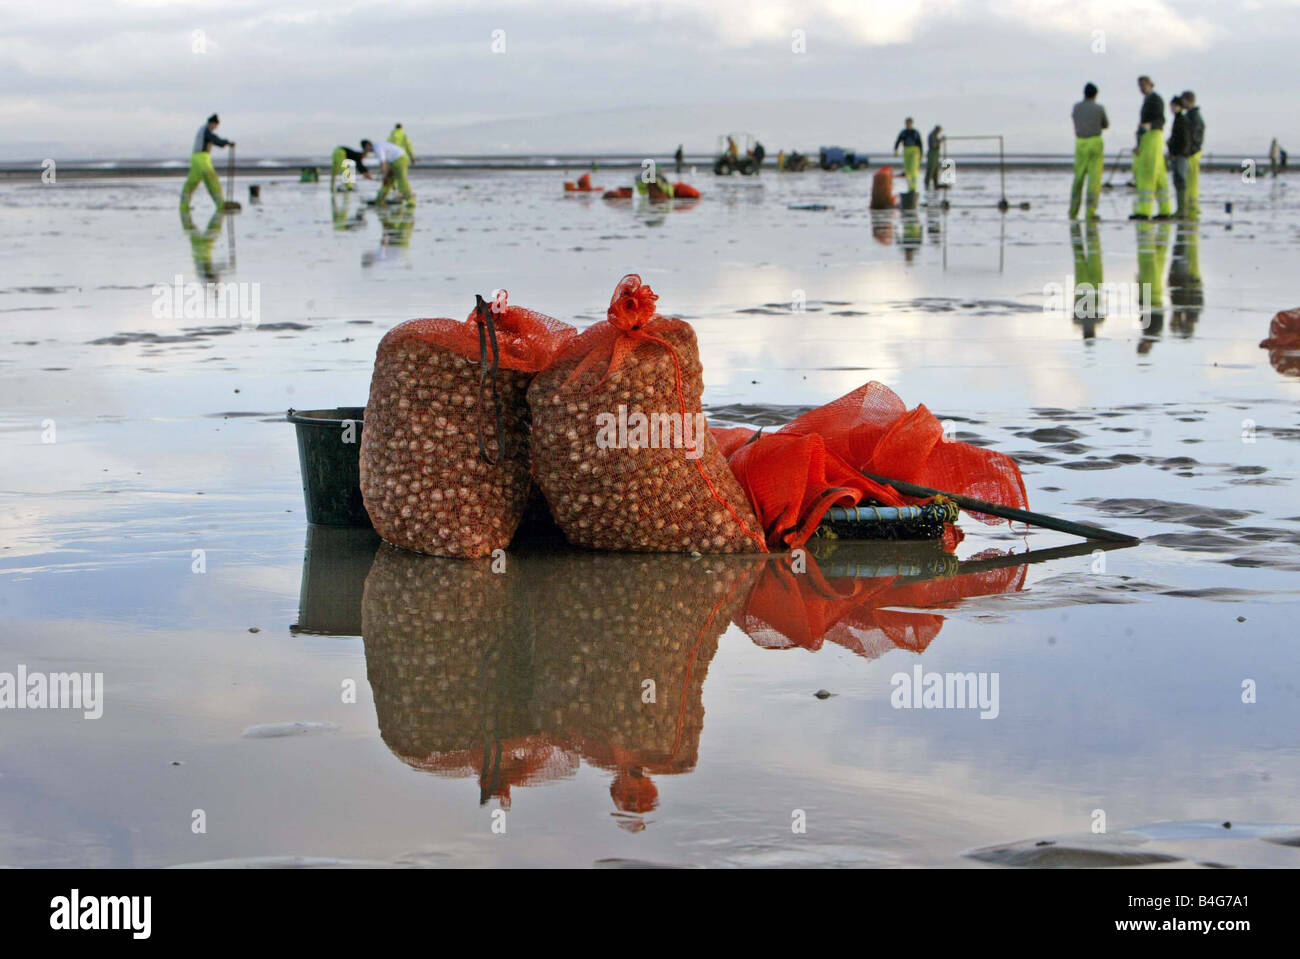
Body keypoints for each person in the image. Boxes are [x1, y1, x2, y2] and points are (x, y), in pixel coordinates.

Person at [1131, 76, 1173, 219]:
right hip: (1149, 139)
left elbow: (1161, 120)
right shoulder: (1148, 100)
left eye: (1143, 85)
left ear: (1150, 85)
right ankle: (1165, 210)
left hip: (1152, 138)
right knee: (1160, 175)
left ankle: (1144, 210)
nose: (1141, 88)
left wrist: (1150, 125)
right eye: (1140, 86)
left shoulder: (1155, 99)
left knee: (1147, 173)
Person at [180, 113, 235, 212]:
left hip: (196, 159)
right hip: (202, 159)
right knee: (212, 181)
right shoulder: (206, 130)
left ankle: (183, 207)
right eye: (215, 125)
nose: (215, 127)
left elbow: (213, 139)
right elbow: (214, 139)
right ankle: (220, 205)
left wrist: (224, 143)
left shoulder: (202, 130)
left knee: (191, 184)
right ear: (212, 123)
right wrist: (226, 142)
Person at [1069, 83, 1109, 219]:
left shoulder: (1076, 107)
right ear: (1095, 95)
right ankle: (1090, 212)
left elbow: (1074, 118)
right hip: (1095, 142)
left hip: (1080, 142)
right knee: (1094, 178)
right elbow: (1105, 124)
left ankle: (1073, 212)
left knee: (1078, 178)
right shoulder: (1099, 108)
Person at [1180, 91, 1204, 220]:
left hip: (1192, 154)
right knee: (1190, 181)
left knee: (1191, 182)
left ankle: (1192, 208)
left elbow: (1193, 136)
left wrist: (1189, 150)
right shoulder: (1192, 115)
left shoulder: (1193, 117)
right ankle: (1190, 207)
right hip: (1192, 152)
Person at [371, 138, 414, 205]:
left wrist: (384, 176)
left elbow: (383, 163)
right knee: (388, 182)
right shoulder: (381, 145)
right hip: (395, 161)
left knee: (401, 180)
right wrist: (387, 174)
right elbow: (387, 161)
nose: (369, 152)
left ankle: (410, 201)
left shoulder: (377, 148)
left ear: (367, 145)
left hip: (400, 159)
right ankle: (379, 201)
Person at [1166, 96, 1190, 218]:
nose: (1171, 108)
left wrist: (1177, 153)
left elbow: (1183, 140)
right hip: (1177, 155)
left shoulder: (1182, 120)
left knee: (1181, 181)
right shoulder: (1178, 119)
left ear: (1179, 106)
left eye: (1173, 106)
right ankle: (1181, 210)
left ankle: (1182, 210)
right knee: (1178, 182)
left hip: (1180, 156)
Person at [894, 118, 923, 193]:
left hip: (915, 150)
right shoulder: (903, 132)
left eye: (909, 123)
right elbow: (898, 141)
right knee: (908, 170)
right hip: (906, 150)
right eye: (907, 123)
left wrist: (921, 154)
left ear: (912, 123)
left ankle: (913, 187)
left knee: (913, 169)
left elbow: (920, 143)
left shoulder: (915, 132)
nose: (908, 124)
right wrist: (896, 150)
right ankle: (910, 187)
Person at [925, 124, 944, 191]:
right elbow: (933, 145)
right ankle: (927, 184)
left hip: (936, 154)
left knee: (936, 169)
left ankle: (936, 184)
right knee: (931, 169)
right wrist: (940, 141)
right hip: (932, 154)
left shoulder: (935, 135)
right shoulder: (932, 135)